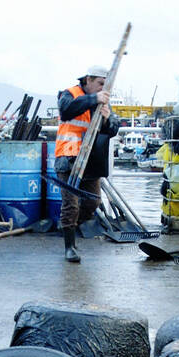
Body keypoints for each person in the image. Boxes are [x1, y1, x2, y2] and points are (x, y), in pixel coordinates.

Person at [55, 65, 121, 263]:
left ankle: (69, 227)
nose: (103, 89)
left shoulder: (102, 102)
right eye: (100, 84)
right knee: (71, 204)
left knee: (93, 201)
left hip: (90, 161)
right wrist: (94, 99)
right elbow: (66, 111)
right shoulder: (69, 94)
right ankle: (70, 246)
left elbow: (113, 129)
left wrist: (108, 120)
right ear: (88, 80)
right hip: (68, 158)